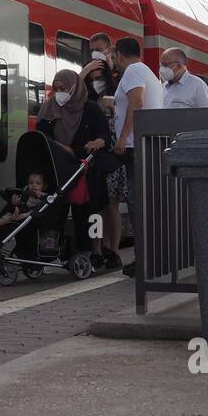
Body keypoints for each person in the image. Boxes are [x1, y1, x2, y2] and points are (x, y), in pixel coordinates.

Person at [37, 68, 109, 255]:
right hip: (58, 166)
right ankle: (52, 248)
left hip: (86, 167)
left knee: (91, 212)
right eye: (56, 88)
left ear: (74, 87)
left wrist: (98, 141)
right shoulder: (49, 108)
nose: (59, 92)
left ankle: (96, 250)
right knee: (55, 209)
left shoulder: (91, 108)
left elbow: (104, 135)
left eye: (63, 88)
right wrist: (61, 148)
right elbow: (42, 136)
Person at [111, 37, 163, 278]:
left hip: (136, 146)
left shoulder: (133, 70)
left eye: (113, 57)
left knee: (137, 203)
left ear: (119, 55)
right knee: (141, 202)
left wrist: (122, 138)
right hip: (146, 143)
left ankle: (145, 259)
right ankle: (148, 256)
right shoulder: (147, 72)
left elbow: (137, 102)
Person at [83, 59, 124, 269]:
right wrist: (83, 73)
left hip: (111, 157)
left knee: (111, 207)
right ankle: (97, 250)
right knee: (95, 209)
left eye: (98, 77)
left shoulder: (116, 95)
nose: (95, 81)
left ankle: (114, 250)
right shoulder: (86, 99)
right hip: (93, 159)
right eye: (92, 78)